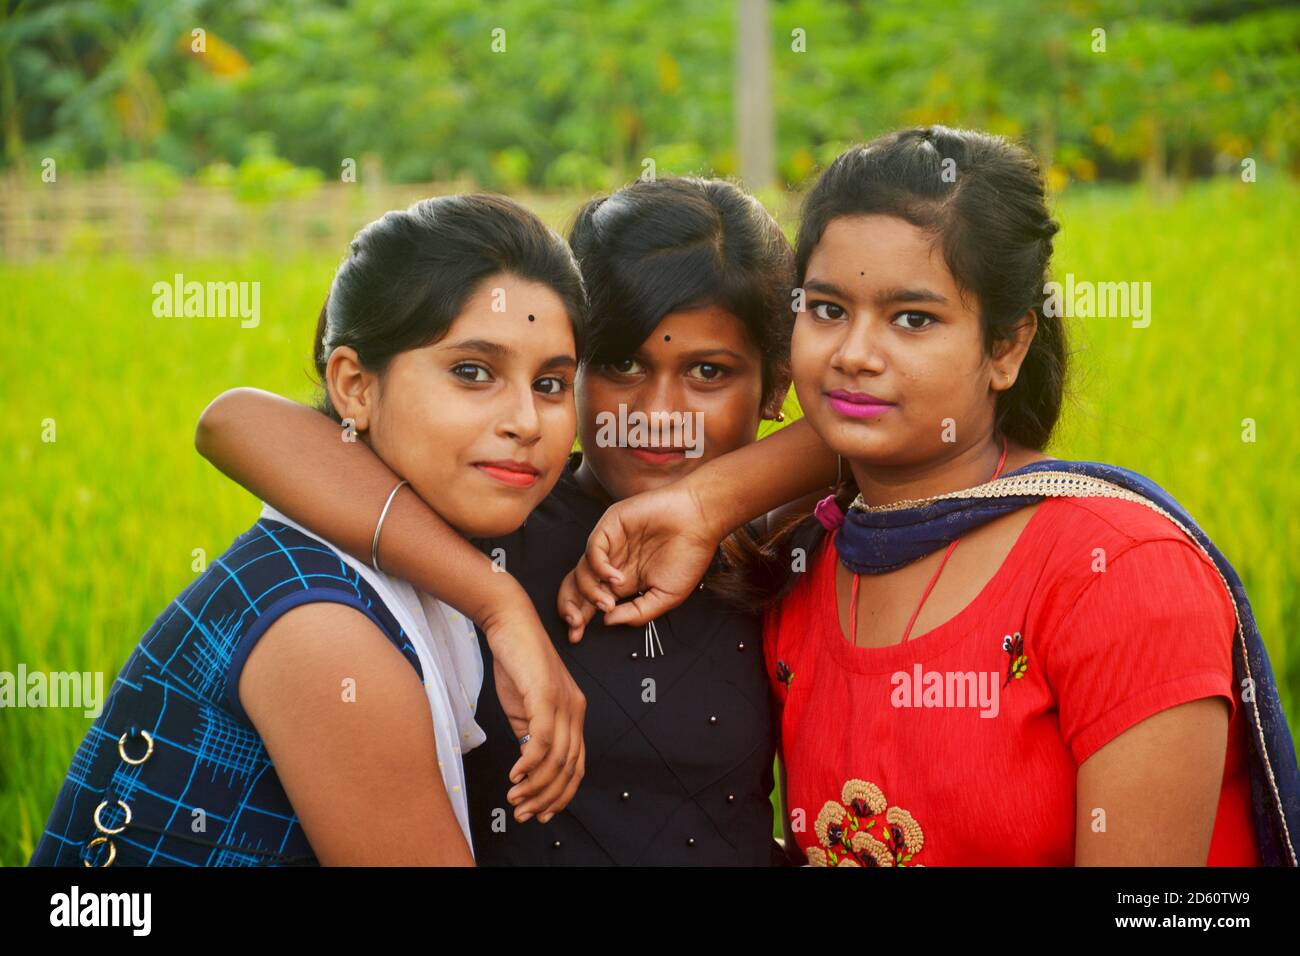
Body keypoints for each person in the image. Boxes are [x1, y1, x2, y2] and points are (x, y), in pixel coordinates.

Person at [557, 127, 1300, 867]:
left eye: (913, 319)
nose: (854, 353)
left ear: (1006, 348)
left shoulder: (1117, 572)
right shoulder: (802, 567)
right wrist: (707, 505)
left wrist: (709, 499)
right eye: (827, 309)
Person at [193, 177, 803, 864]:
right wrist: (498, 602)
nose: (657, 412)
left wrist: (710, 504)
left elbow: (926, 418)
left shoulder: (783, 544)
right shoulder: (493, 515)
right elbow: (232, 423)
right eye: (619, 363)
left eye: (709, 372)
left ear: (776, 384)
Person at [30, 194, 587, 866]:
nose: (527, 421)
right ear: (354, 386)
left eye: (553, 383)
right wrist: (501, 604)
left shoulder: (414, 561)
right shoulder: (326, 631)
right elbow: (230, 418)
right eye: (473, 373)